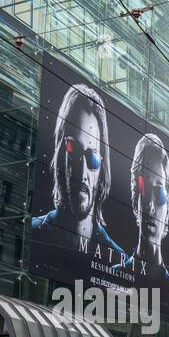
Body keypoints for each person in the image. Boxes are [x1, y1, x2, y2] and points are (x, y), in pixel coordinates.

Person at [31, 83, 125, 265]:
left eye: (92, 157)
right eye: (73, 149)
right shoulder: (34, 232)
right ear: (60, 154)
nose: (82, 172)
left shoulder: (118, 261)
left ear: (102, 169)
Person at [109, 134, 169, 293]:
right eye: (145, 190)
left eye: (159, 193)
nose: (151, 206)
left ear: (168, 207)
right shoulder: (112, 277)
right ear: (135, 201)